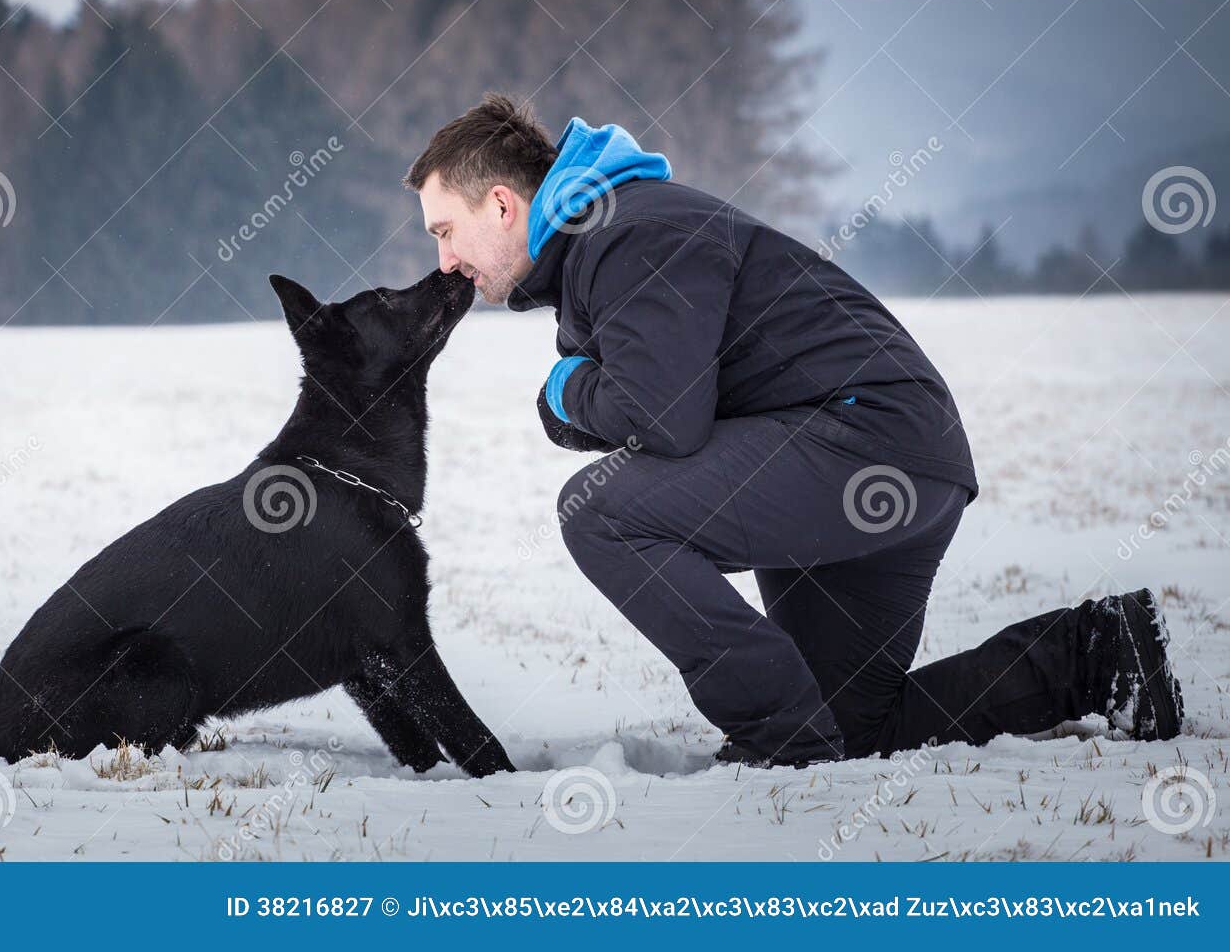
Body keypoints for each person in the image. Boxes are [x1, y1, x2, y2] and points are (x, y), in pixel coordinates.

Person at [405, 93, 1184, 767]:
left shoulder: (630, 233)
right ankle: (1094, 653)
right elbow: (634, 402)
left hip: (865, 441)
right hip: (883, 455)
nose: (444, 261)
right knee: (855, 723)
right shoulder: (603, 246)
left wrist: (569, 387)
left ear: (502, 204)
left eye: (446, 229)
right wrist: (573, 391)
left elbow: (660, 419)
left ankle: (779, 735)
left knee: (598, 511)